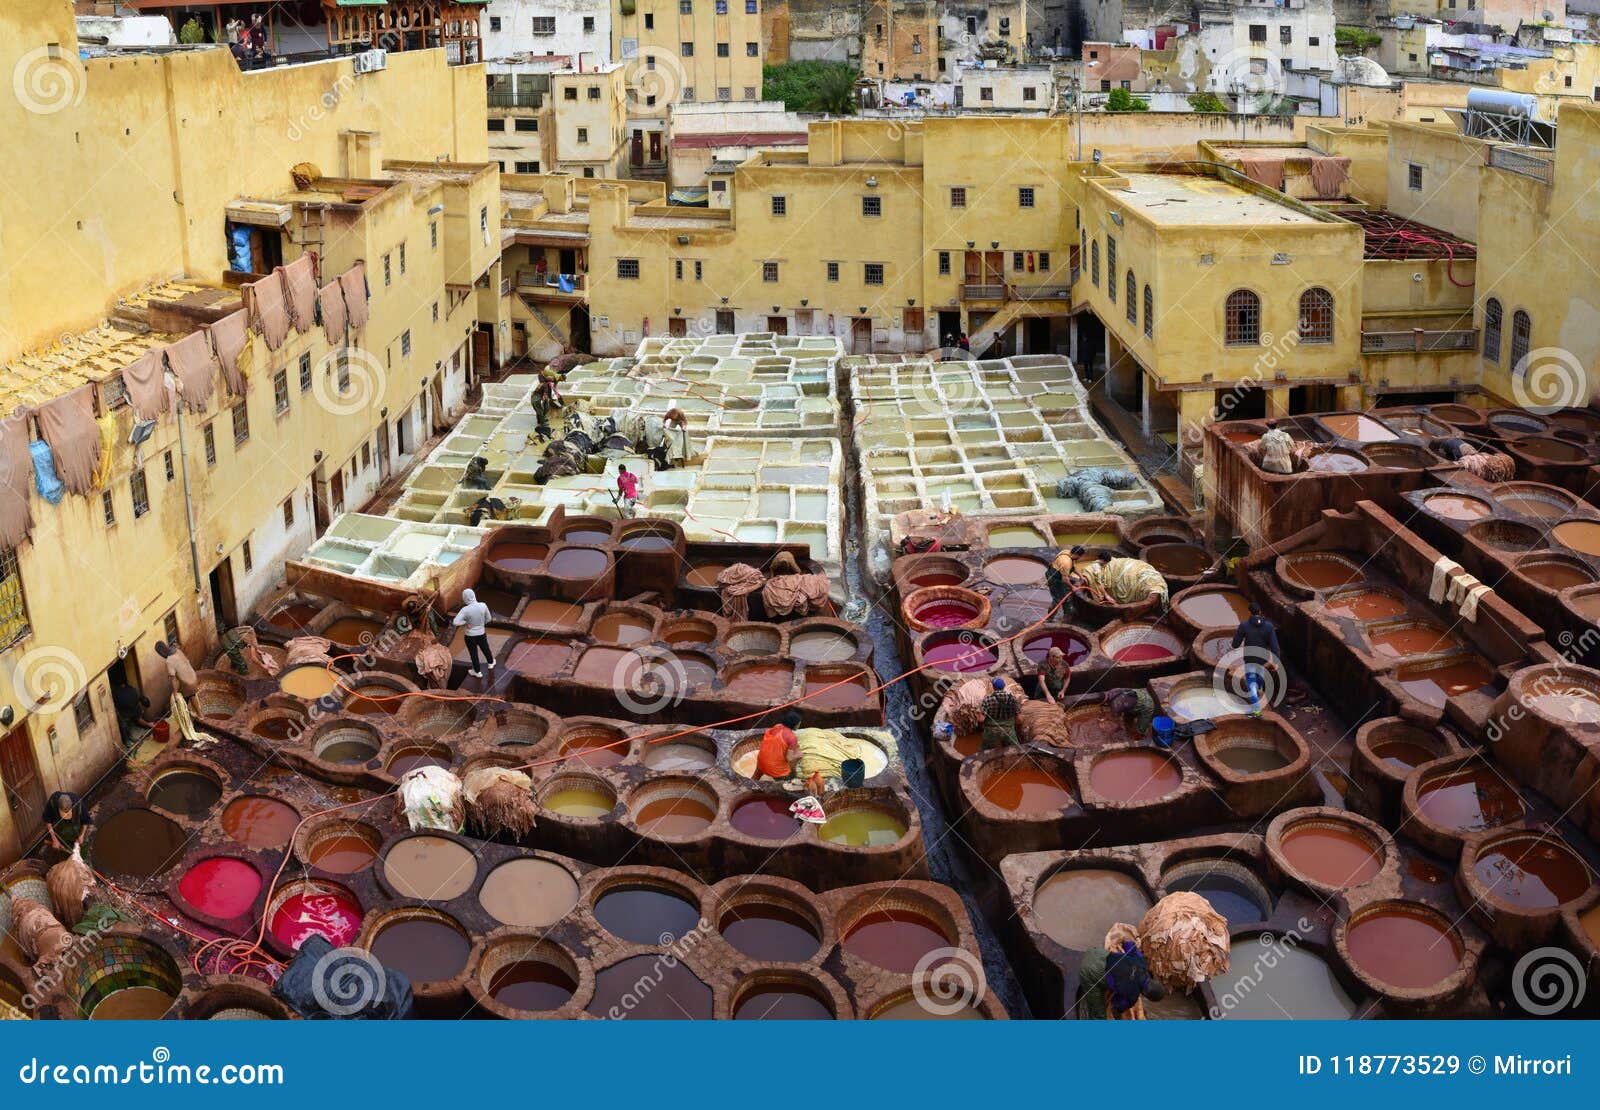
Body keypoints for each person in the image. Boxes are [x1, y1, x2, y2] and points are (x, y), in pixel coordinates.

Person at [1230, 603, 1282, 716]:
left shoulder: (1244, 625)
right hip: (1262, 660)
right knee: (1259, 678)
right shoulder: (1269, 626)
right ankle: (1259, 691)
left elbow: (1235, 644)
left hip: (1250, 659)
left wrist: (1234, 643)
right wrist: (1276, 662)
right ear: (1260, 612)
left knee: (1251, 683)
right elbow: (1275, 646)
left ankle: (1257, 711)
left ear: (1249, 612)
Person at [452, 588, 495, 678]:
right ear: (474, 595)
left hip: (470, 636)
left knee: (473, 653)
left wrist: (465, 622)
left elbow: (455, 622)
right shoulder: (483, 605)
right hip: (481, 633)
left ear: (465, 598)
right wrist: (481, 624)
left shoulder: (465, 610)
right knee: (485, 648)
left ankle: (477, 672)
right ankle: (491, 663)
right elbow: (489, 619)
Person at [111, 676, 155, 751]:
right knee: (125, 724)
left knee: (127, 721)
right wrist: (148, 724)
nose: (143, 711)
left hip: (124, 709)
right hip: (122, 710)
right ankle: (127, 741)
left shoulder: (129, 692)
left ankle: (128, 738)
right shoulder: (131, 694)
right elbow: (138, 718)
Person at [755, 711, 802, 780]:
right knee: (791, 777)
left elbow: (776, 744)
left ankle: (751, 782)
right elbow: (789, 758)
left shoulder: (777, 726)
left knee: (757, 774)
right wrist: (798, 755)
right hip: (775, 769)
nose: (799, 725)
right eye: (799, 724)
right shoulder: (792, 738)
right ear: (795, 724)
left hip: (761, 762)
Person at [45, 791, 91, 855]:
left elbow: (86, 820)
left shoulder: (78, 803)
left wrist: (82, 835)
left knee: (83, 843)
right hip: (61, 826)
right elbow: (48, 821)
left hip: (76, 823)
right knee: (63, 839)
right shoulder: (52, 802)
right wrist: (54, 839)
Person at [981, 677, 1021, 750]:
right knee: (1014, 750)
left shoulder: (987, 699)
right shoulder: (1013, 699)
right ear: (1004, 686)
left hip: (991, 732)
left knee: (985, 753)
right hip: (1009, 731)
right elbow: (1019, 720)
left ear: (993, 687)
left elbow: (981, 720)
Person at [1046, 544, 1086, 609]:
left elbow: (1073, 567)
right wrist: (1072, 587)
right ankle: (1050, 616)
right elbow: (1065, 579)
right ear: (1076, 555)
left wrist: (1081, 576)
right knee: (1057, 599)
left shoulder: (1067, 552)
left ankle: (1063, 601)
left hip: (1057, 573)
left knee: (1065, 592)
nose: (1080, 558)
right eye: (1080, 556)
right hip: (1054, 578)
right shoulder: (1066, 562)